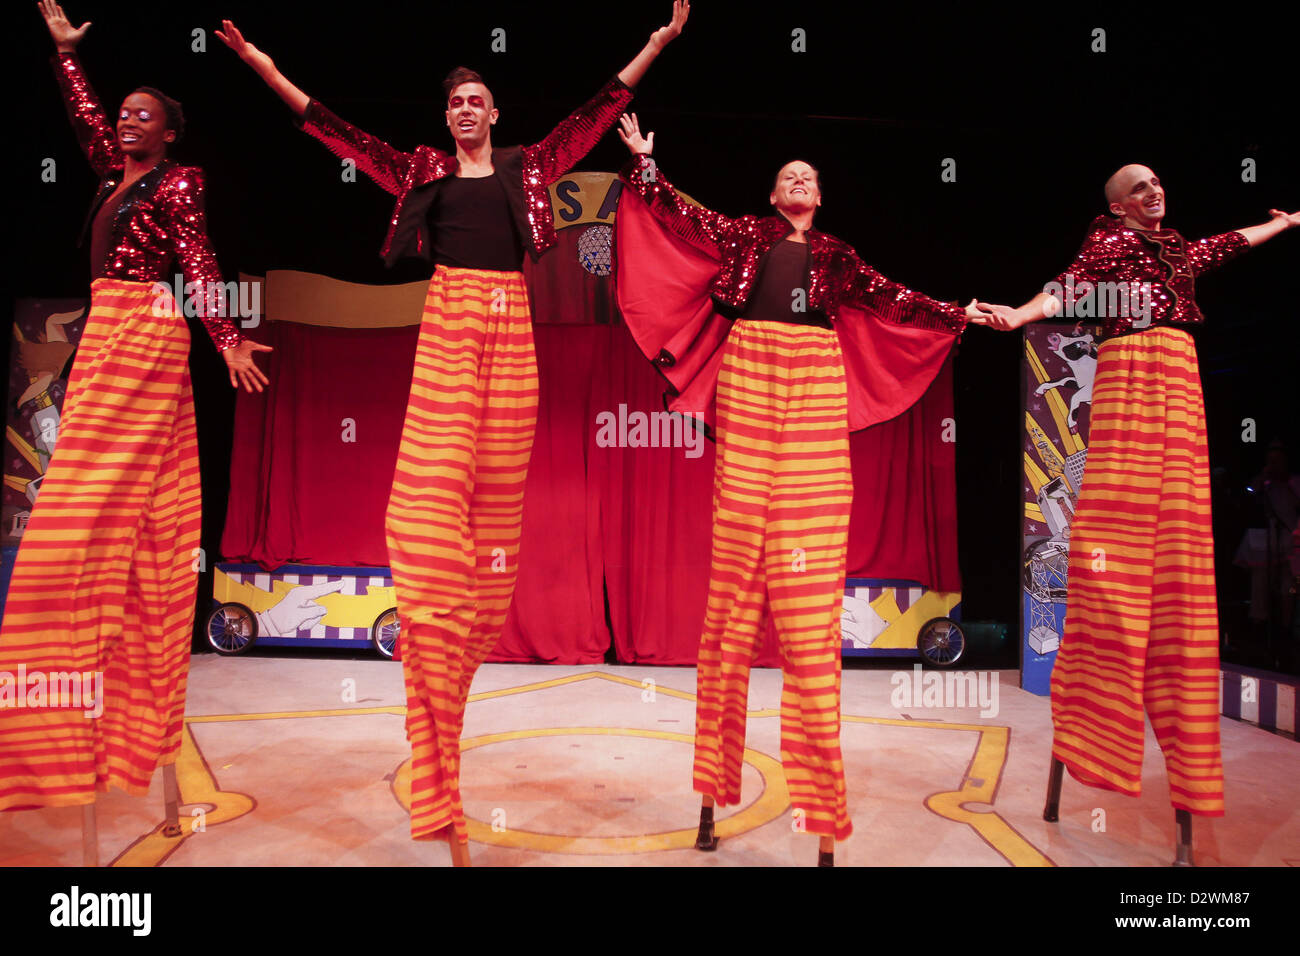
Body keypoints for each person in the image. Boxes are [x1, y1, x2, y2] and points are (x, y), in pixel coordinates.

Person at [217, 3, 689, 866]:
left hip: (511, 323)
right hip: (447, 320)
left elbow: (593, 114)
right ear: (447, 116)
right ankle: (432, 717)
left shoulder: (524, 165)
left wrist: (656, 43)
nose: (468, 107)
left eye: (480, 97)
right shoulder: (422, 170)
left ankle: (460, 666)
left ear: (495, 112)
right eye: (457, 100)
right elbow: (332, 129)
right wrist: (260, 62)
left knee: (499, 521)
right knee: (428, 503)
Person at [614, 113, 978, 865]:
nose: (798, 181)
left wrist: (959, 314)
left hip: (813, 381)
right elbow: (687, 217)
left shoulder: (839, 256)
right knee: (730, 599)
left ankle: (822, 812)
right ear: (773, 193)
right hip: (751, 373)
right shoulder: (748, 234)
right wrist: (648, 167)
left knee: (810, 614)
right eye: (787, 175)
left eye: (808, 175)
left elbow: (892, 298)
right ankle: (711, 789)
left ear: (822, 194)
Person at [0, 2, 270, 813]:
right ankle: (81, 710)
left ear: (170, 134)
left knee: (108, 509)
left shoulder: (179, 182)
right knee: (100, 514)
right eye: (123, 114)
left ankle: (120, 690)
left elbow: (198, 257)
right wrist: (65, 56)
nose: (127, 122)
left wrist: (223, 335)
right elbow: (82, 112)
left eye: (144, 116)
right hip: (108, 329)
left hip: (147, 333)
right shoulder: (110, 170)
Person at [977, 163, 1299, 818]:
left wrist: (1279, 224)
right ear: (1121, 207)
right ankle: (1098, 721)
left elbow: (1224, 245)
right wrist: (1020, 314)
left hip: (1179, 370)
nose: (1156, 193)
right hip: (1131, 364)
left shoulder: (1175, 247)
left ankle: (1183, 743)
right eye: (1142, 189)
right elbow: (1066, 290)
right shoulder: (1111, 243)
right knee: (1114, 540)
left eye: (1159, 185)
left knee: (1179, 541)